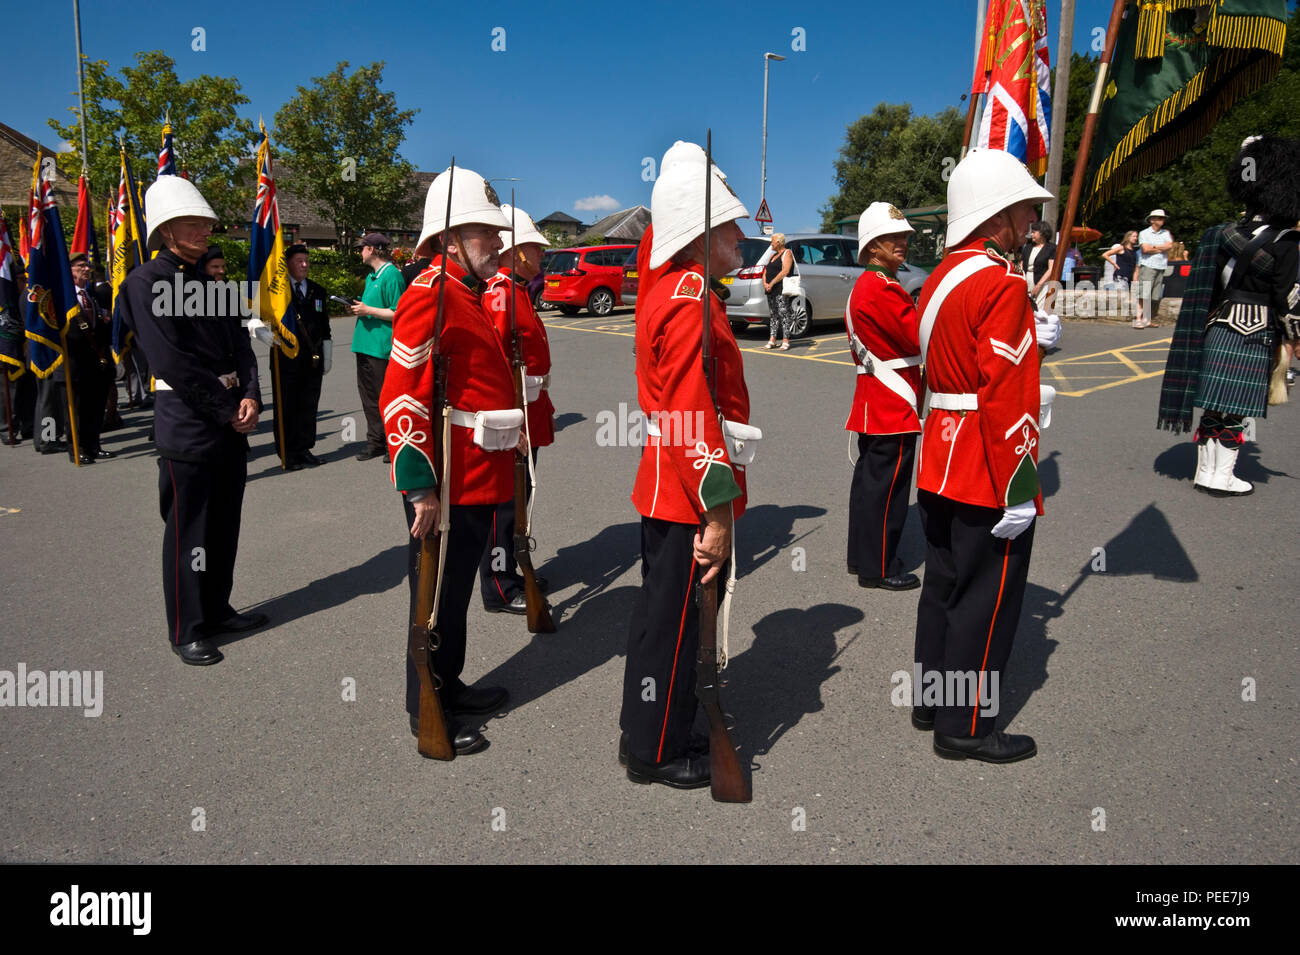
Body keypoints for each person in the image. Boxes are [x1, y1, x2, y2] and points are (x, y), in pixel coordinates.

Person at [912, 148, 1057, 764]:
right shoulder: (999, 283)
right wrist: (1021, 484)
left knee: (942, 583)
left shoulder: (939, 278)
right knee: (986, 597)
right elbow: (1006, 391)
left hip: (938, 451)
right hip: (982, 460)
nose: (1030, 223)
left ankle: (930, 697)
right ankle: (966, 724)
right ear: (995, 216)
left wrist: (1032, 340)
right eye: (1024, 210)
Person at [620, 140, 754, 790]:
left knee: (664, 617)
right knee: (671, 627)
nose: (740, 232)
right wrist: (718, 511)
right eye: (727, 223)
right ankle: (652, 747)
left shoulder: (682, 287)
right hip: (686, 486)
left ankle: (663, 723)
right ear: (699, 235)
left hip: (669, 477)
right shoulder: (689, 297)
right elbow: (690, 416)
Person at [382, 165, 516, 756]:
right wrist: (419, 485)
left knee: (455, 592)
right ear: (448, 237)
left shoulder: (467, 292)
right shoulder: (430, 292)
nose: (497, 242)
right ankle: (425, 710)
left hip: (476, 471)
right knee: (431, 597)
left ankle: (450, 684)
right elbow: (402, 390)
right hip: (445, 477)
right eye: (483, 232)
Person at [119, 176, 267, 666]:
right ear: (165, 231)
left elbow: (243, 347)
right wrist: (228, 410)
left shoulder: (211, 284)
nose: (206, 230)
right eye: (193, 223)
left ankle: (218, 608)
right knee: (190, 532)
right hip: (190, 425)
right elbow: (172, 362)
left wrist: (251, 396)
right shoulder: (146, 283)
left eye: (206, 222)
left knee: (225, 524)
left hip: (230, 420)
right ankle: (187, 626)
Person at [1158, 136, 1300, 496]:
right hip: (1255, 330)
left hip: (1217, 324)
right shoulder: (1287, 243)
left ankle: (1205, 472)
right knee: (1235, 411)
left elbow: (1208, 288)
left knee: (1215, 408)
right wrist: (1294, 338)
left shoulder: (1221, 234)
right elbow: (1288, 300)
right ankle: (1221, 478)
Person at [478, 205, 555, 614]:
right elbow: (496, 364)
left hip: (530, 404)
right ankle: (499, 583)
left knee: (519, 499)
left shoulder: (517, 290)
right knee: (503, 505)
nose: (541, 256)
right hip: (513, 409)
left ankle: (513, 567)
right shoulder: (500, 293)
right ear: (514, 251)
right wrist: (512, 420)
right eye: (534, 248)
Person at [844, 203, 923, 591]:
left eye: (904, 236)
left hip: (879, 401)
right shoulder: (883, 287)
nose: (902, 243)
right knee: (887, 492)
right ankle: (879, 566)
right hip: (893, 404)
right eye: (893, 238)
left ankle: (863, 559)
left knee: (870, 489)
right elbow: (918, 337)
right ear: (873, 246)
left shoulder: (871, 284)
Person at [275, 244, 332, 470]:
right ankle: (287, 452)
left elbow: (324, 324)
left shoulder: (317, 290)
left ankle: (304, 448)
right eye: (299, 261)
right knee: (287, 407)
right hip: (285, 359)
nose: (305, 265)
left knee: (309, 406)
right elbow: (258, 314)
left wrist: (327, 354)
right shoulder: (277, 292)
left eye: (306, 261)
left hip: (312, 358)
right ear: (288, 263)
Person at [350, 232, 404, 462]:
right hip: (364, 344)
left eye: (362, 248)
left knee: (385, 398)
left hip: (381, 348)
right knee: (369, 397)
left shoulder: (391, 275)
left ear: (371, 249)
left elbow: (399, 313)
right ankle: (376, 441)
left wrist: (368, 311)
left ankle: (393, 444)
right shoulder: (373, 276)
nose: (360, 252)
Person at [66, 253, 115, 463]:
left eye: (87, 265)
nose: (86, 269)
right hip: (76, 360)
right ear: (69, 270)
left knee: (96, 406)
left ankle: (94, 445)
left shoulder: (94, 295)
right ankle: (77, 449)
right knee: (77, 409)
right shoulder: (65, 298)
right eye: (81, 266)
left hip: (97, 360)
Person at [1136, 209, 1174, 328]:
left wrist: (1154, 247)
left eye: (1163, 218)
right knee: (1144, 293)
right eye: (1160, 218)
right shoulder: (1144, 233)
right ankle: (1138, 319)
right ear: (1152, 220)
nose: (1162, 220)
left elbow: (1170, 246)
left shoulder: (1165, 233)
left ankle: (1147, 319)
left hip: (1160, 266)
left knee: (1154, 295)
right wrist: (1161, 248)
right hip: (1148, 265)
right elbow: (1145, 250)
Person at [762, 232, 795, 349]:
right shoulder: (773, 256)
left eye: (772, 242)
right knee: (773, 314)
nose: (771, 244)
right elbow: (766, 271)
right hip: (770, 289)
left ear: (778, 242)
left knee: (783, 313)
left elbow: (785, 271)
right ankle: (772, 339)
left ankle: (786, 339)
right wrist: (765, 283)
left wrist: (771, 283)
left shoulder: (787, 253)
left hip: (780, 288)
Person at [1021, 220, 1055, 305]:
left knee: (1038, 311)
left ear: (1042, 233)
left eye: (1033, 232)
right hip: (1026, 282)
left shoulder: (1051, 248)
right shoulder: (1027, 248)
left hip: (1042, 283)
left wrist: (1038, 286)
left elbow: (1051, 269)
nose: (1031, 235)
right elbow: (1022, 265)